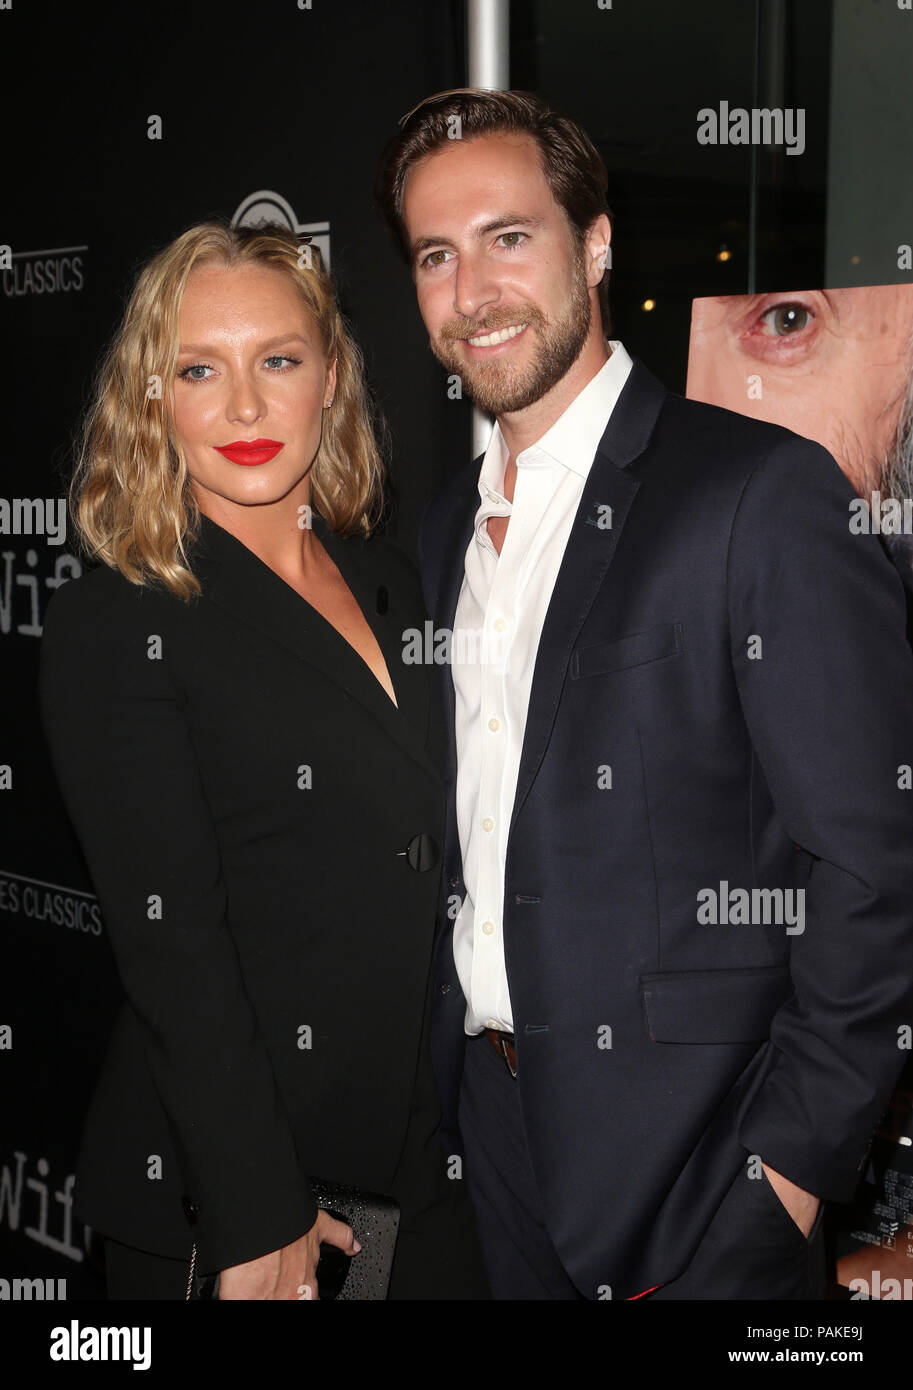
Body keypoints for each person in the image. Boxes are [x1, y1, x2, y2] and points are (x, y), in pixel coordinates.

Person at [375, 88, 913, 1300]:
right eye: (436, 255)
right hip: (492, 1135)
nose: (474, 291)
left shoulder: (756, 494)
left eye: (509, 237)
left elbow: (878, 860)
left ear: (596, 243)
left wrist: (784, 1174)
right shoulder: (443, 525)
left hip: (697, 1169)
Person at [38, 220, 487, 1300]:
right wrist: (254, 1207)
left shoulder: (399, 579)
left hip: (420, 1167)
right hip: (233, 1193)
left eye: (277, 360)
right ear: (153, 395)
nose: (244, 408)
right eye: (200, 369)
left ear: (329, 376)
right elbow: (171, 948)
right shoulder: (122, 617)